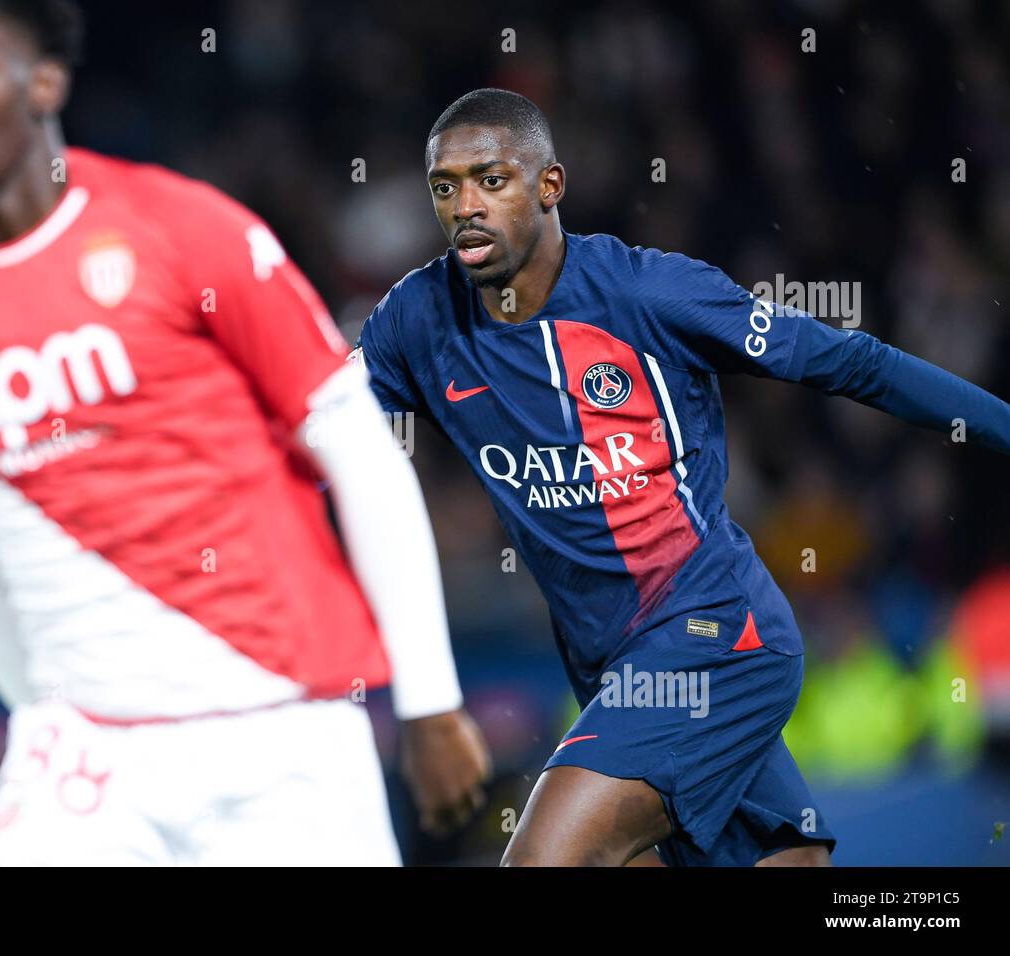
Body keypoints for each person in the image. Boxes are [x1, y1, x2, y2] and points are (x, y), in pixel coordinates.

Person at [0, 0, 489, 865]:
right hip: (86, 759)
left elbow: (361, 454)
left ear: (44, 79)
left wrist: (430, 700)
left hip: (280, 737)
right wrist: (39, 705)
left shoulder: (185, 228)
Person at [353, 87, 1010, 866]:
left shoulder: (650, 293)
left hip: (718, 636)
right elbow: (322, 432)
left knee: (543, 860)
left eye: (491, 179)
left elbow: (848, 361)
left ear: (549, 185)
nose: (466, 204)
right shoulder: (415, 322)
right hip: (615, 669)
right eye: (445, 185)